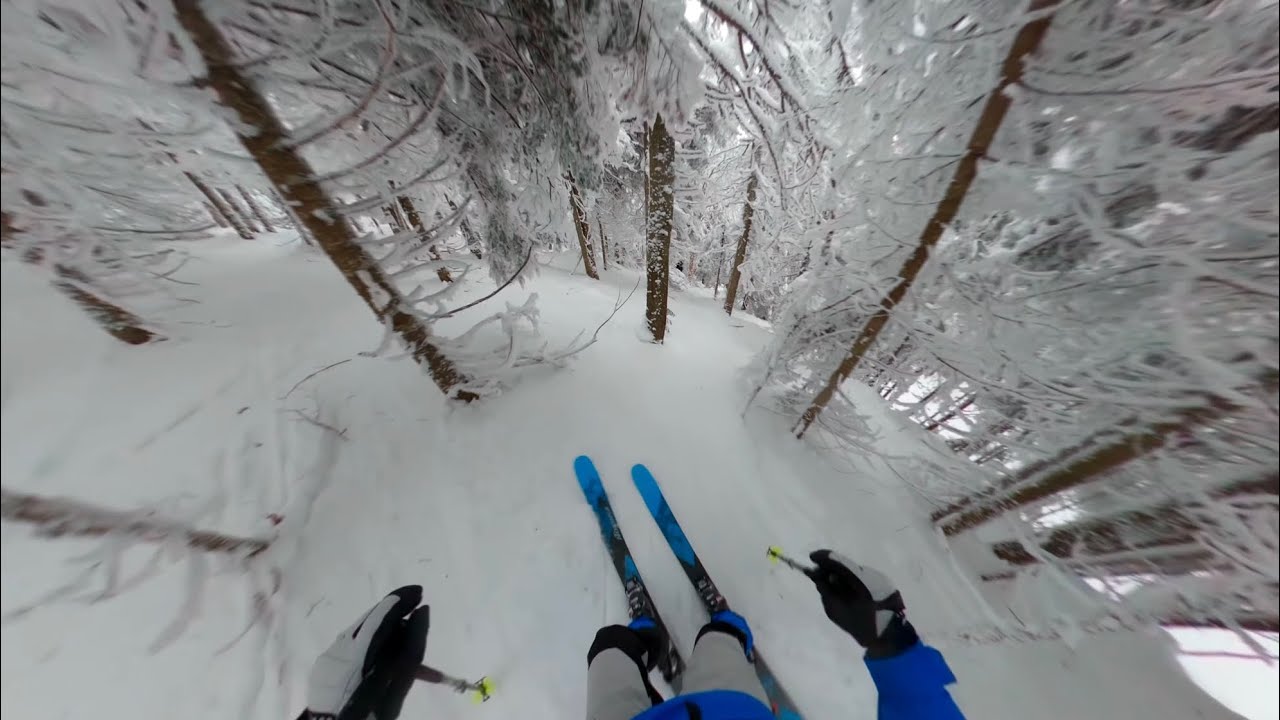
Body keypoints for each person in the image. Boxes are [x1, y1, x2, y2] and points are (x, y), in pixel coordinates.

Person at [297, 551, 965, 720]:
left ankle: (643, 641)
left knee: (608, 649)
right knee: (718, 646)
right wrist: (893, 644)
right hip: (733, 711)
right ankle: (719, 629)